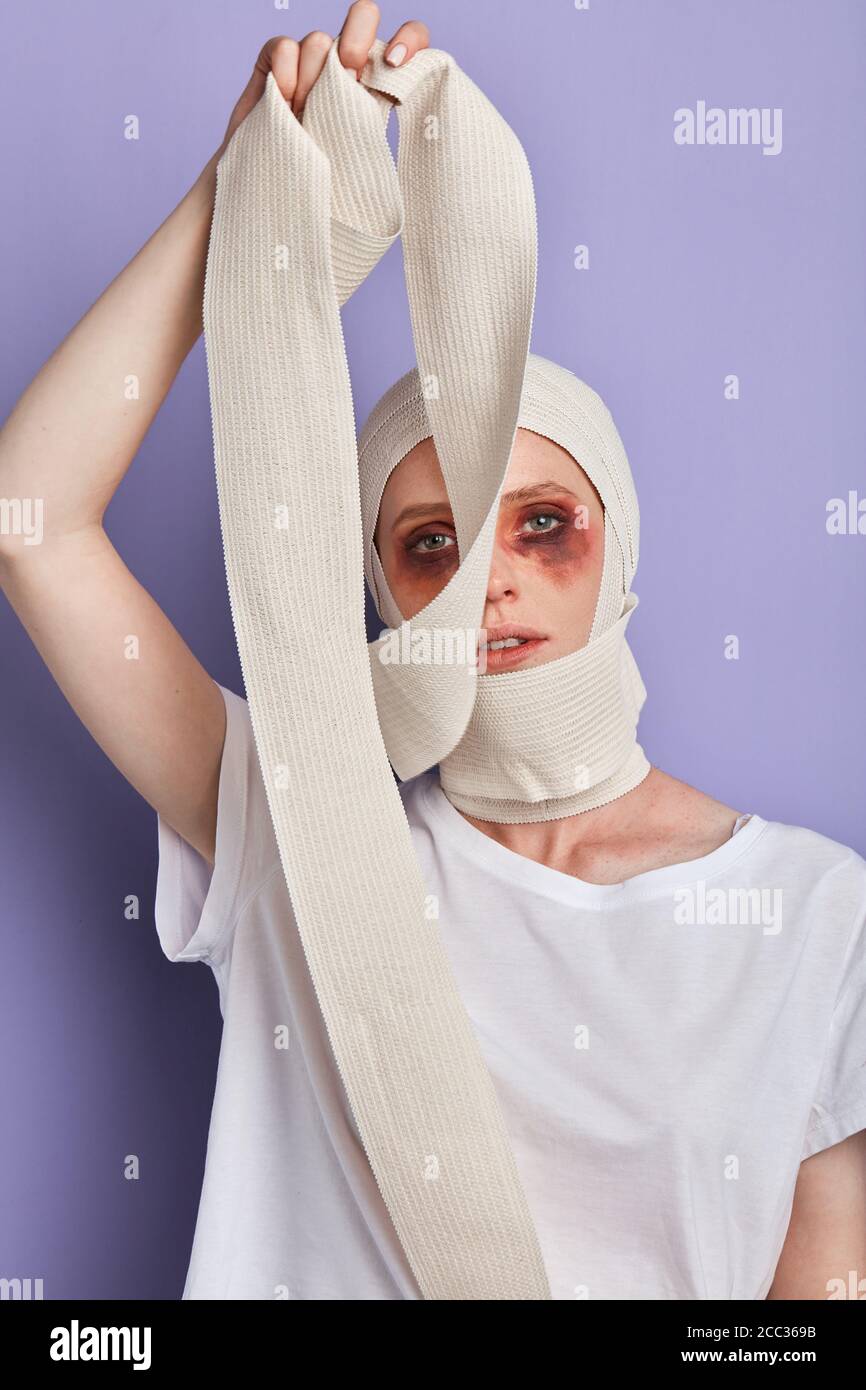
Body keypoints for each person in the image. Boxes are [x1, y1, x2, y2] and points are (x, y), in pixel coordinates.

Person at [1, 3, 864, 1301]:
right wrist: (238, 210)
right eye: (429, 542)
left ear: (616, 553)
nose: (490, 576)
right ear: (384, 594)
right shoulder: (289, 833)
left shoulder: (815, 914)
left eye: (544, 525)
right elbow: (32, 520)